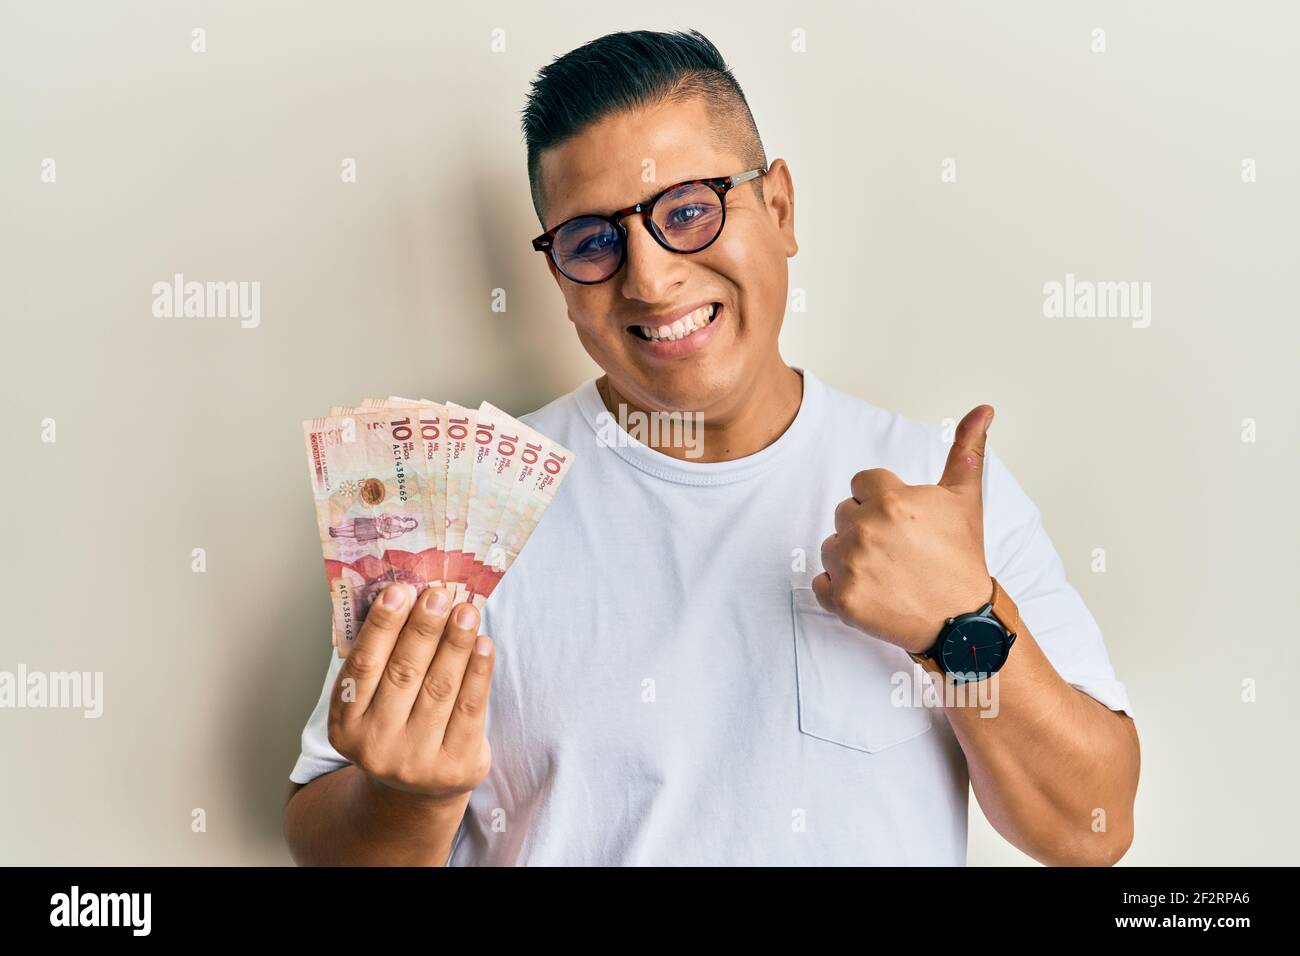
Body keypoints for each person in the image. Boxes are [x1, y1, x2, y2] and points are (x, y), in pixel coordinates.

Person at [283, 29, 1139, 866]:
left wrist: (962, 624)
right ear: (559, 278)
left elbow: (1091, 832)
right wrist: (410, 798)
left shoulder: (937, 491)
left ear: (778, 209)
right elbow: (324, 838)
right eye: (593, 241)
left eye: (688, 210)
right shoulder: (467, 507)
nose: (650, 278)